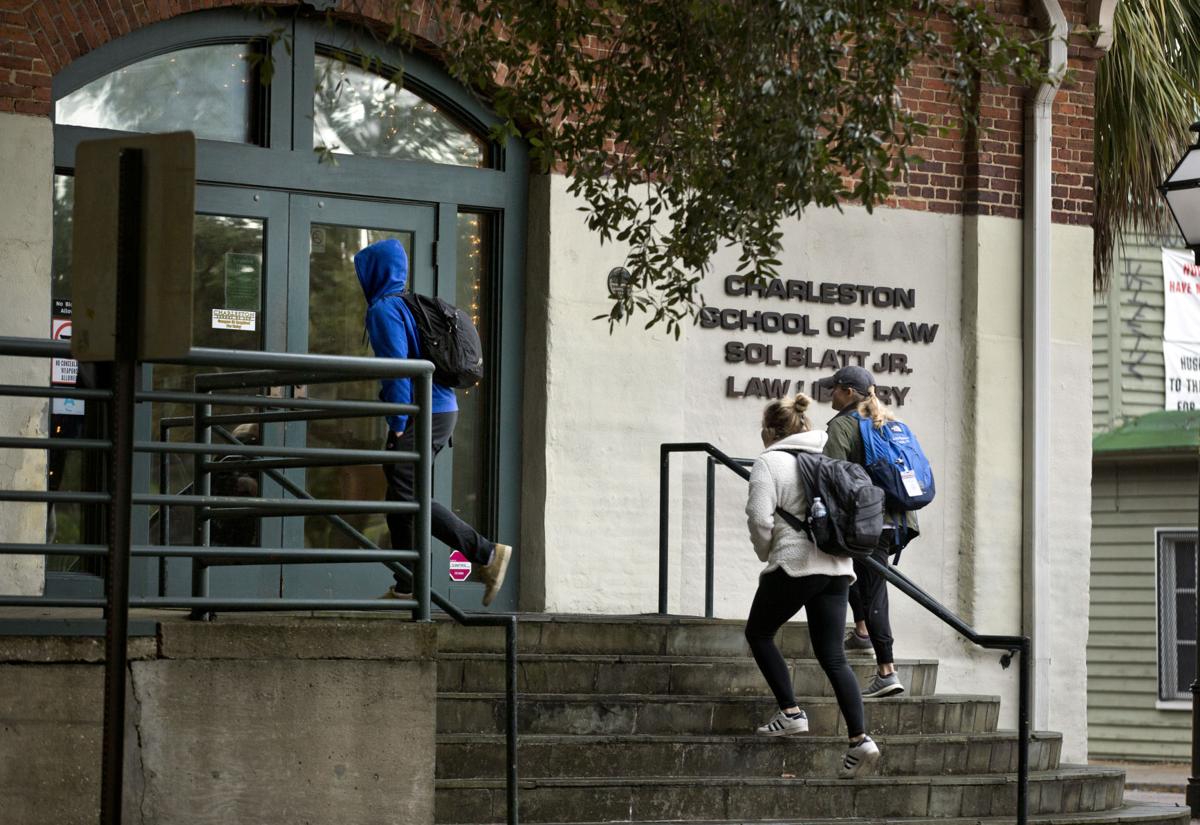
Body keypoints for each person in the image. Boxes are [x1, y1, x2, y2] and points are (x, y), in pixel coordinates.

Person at [354, 238, 512, 607]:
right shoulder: (409, 304)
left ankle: (486, 554)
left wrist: (396, 424)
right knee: (399, 494)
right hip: (439, 410)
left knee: (406, 493)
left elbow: (398, 372)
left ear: (373, 273)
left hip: (422, 412)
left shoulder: (384, 310)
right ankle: (408, 585)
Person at [744, 393, 881, 778]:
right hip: (838, 568)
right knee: (833, 656)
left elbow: (759, 518)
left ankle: (790, 712)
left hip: (795, 564)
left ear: (768, 432)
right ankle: (860, 740)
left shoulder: (769, 462)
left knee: (759, 633)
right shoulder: (828, 459)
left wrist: (766, 551)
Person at [817, 365, 917, 698]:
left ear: (847, 392)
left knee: (874, 589)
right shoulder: (886, 420)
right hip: (895, 519)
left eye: (834, 389)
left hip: (868, 522)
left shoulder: (843, 425)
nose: (830, 394)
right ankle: (861, 631)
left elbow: (829, 476)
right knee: (856, 573)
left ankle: (887, 670)